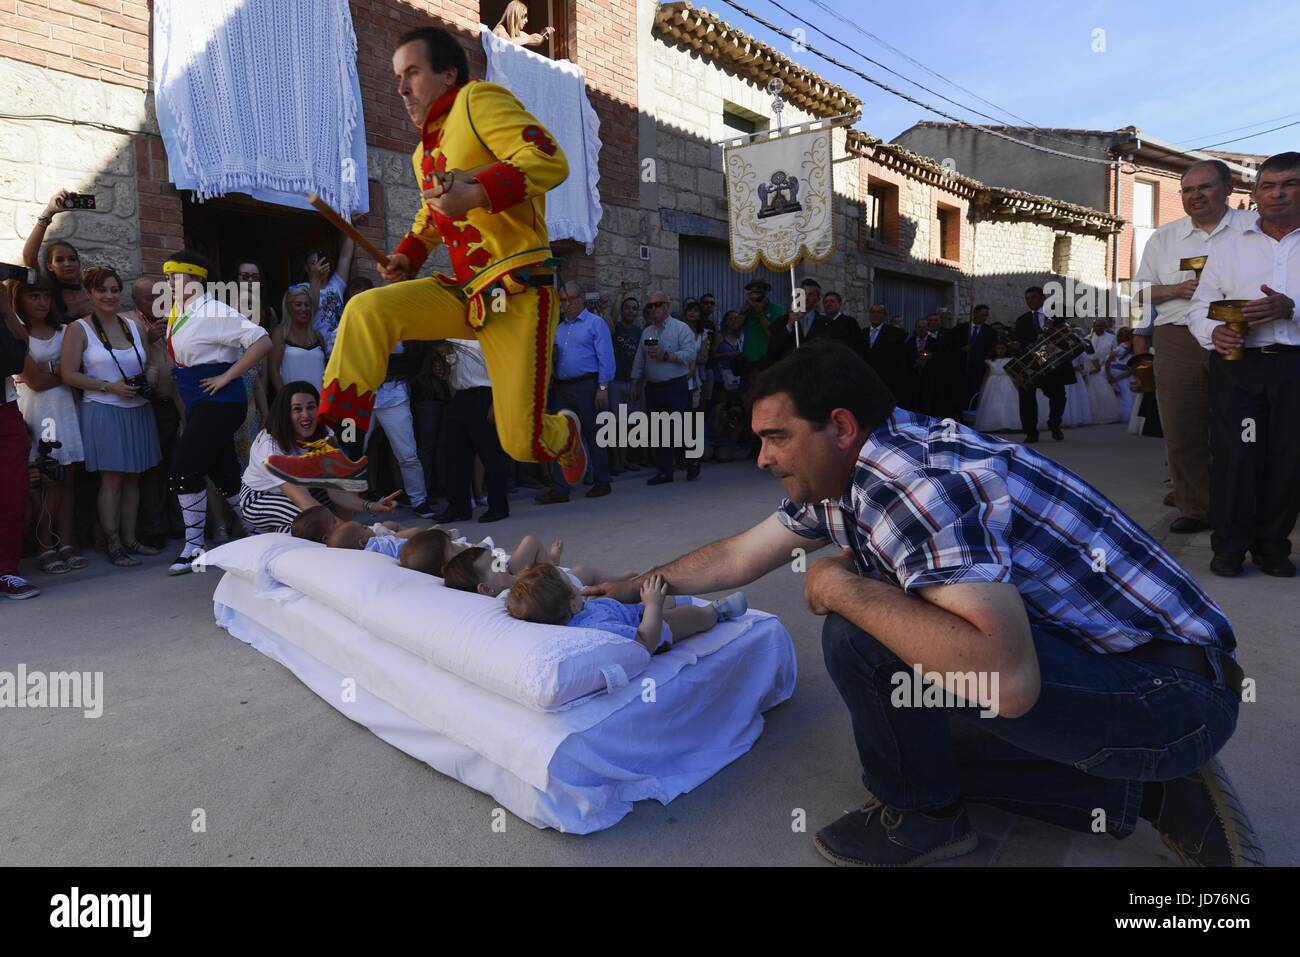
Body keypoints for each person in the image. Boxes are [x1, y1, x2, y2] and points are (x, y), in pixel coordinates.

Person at [585, 340, 1260, 868]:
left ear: (840, 426)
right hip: (1129, 669)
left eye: (777, 437)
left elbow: (1006, 682)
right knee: (915, 739)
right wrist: (638, 584)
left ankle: (930, 816)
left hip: (1174, 694)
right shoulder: (853, 469)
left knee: (861, 634)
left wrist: (842, 586)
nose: (761, 458)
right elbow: (739, 554)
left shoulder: (913, 485)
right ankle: (1140, 787)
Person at [267, 26, 587, 496]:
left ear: (448, 73)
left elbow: (548, 159)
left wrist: (475, 191)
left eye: (412, 73)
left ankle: (565, 433)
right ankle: (341, 446)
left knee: (521, 441)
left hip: (518, 291)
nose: (401, 88)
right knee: (367, 309)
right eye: (398, 77)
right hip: (469, 293)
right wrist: (406, 254)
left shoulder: (479, 100)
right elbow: (431, 218)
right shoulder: (424, 153)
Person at [1187, 151, 1300, 579]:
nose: (1277, 194)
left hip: (1295, 369)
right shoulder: (1230, 247)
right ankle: (1229, 546)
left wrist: (1292, 309)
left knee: (1288, 458)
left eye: (1289, 184)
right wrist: (1213, 332)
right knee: (1237, 454)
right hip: (1240, 368)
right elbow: (1200, 307)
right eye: (1268, 186)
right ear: (1255, 193)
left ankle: (1272, 548)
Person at [1136, 160, 1257, 535]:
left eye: (1205, 187)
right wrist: (1175, 289)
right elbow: (1138, 292)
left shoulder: (1254, 226)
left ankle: (1250, 503)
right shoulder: (1164, 238)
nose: (1195, 196)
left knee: (1245, 424)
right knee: (1182, 425)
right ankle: (1194, 507)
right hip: (1177, 337)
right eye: (1188, 190)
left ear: (1228, 188)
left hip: (1241, 332)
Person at [160, 249, 272, 576]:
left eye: (175, 277)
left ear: (195, 278)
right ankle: (260, 532)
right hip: (200, 401)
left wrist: (227, 376)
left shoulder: (215, 311)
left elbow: (262, 341)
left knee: (184, 469)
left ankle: (194, 547)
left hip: (220, 402)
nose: (169, 283)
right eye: (167, 278)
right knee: (224, 473)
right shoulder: (182, 310)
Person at [58, 265, 162, 568]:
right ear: (90, 293)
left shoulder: (132, 326)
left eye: (115, 290)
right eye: (102, 290)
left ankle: (130, 539)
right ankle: (113, 544)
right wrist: (109, 386)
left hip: (137, 408)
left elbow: (145, 362)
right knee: (112, 480)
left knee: (134, 479)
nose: (109, 295)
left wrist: (150, 375)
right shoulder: (79, 329)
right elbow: (68, 374)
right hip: (103, 409)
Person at [238, 382, 399, 534]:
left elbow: (336, 490)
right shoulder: (270, 447)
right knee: (315, 523)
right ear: (285, 413)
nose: (306, 415)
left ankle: (337, 539)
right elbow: (304, 502)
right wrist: (353, 532)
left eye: (311, 407)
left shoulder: (324, 432)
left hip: (307, 488)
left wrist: (371, 506)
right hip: (261, 497)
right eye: (297, 409)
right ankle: (293, 534)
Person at [10, 276, 87, 574]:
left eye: (45, 296)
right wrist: (63, 372)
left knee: (67, 480)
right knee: (46, 481)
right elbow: (35, 382)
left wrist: (53, 370)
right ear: (20, 300)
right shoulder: (18, 333)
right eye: (34, 297)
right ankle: (45, 545)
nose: (42, 302)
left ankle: (66, 543)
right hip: (37, 412)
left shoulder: (65, 331)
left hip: (65, 409)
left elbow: (78, 371)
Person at [507, 564, 747, 655]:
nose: (577, 587)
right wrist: (653, 606)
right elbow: (644, 642)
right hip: (650, 628)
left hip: (633, 613)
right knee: (690, 616)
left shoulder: (573, 614)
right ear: (572, 604)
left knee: (664, 598)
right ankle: (716, 611)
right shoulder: (597, 629)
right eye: (572, 587)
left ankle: (675, 602)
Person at [536, 281, 615, 503]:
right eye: (563, 300)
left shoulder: (595, 323)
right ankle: (561, 488)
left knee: (593, 434)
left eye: (571, 299)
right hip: (563, 388)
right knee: (563, 436)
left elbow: (606, 358)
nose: (567, 303)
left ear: (582, 299)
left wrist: (602, 388)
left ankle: (602, 481)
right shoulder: (559, 328)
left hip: (588, 386)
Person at [433, 338, 513, 522]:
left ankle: (498, 506)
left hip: (485, 394)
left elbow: (503, 369)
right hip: (460, 396)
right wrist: (442, 370)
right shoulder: (451, 338)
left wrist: (497, 403)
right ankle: (459, 507)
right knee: (455, 455)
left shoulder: (487, 335)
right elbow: (449, 374)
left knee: (491, 455)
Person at [631, 291, 697, 484]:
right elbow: (640, 359)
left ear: (667, 306)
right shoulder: (647, 332)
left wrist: (667, 356)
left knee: (681, 428)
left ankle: (692, 462)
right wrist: (635, 383)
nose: (653, 309)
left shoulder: (680, 328)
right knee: (659, 431)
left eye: (657, 304)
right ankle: (665, 472)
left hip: (675, 385)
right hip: (653, 388)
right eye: (650, 306)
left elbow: (690, 354)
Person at [2, 281, 39, 598]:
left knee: (13, 493)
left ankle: (7, 570)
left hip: (5, 411)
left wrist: (5, 308)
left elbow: (22, 350)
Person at [1014, 286, 1074, 442]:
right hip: (1032, 363)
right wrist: (1017, 346)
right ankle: (1031, 432)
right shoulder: (1022, 320)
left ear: (1042, 298)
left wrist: (1052, 318)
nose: (1030, 301)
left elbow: (1074, 311)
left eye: (1033, 297)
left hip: (1053, 361)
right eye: (1027, 298)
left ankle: (1054, 424)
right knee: (1026, 397)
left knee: (1058, 396)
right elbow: (1019, 341)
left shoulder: (1054, 312)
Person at [24, 189, 93, 320]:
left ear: (78, 263)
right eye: (60, 260)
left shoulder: (94, 290)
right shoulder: (48, 292)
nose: (67, 264)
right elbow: (29, 256)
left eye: (72, 259)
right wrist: (49, 212)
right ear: (50, 266)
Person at [608, 295, 643, 475]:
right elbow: (612, 317)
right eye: (627, 307)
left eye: (634, 308)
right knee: (615, 423)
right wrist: (619, 294)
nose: (631, 311)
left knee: (629, 423)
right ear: (622, 310)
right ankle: (615, 460)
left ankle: (625, 458)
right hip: (615, 381)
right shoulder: (616, 328)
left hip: (633, 383)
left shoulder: (640, 332)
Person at [271, 284, 327, 393]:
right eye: (298, 304)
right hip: (292, 399)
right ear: (289, 307)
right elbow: (274, 370)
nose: (303, 309)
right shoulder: (280, 333)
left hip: (319, 400)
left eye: (307, 305)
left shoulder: (318, 336)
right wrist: (285, 398)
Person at [305, 236, 357, 354]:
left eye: (322, 262)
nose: (319, 266)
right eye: (313, 263)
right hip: (315, 348)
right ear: (306, 268)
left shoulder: (336, 284)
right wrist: (316, 277)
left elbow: (345, 256)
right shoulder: (302, 288)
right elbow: (311, 308)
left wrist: (349, 227)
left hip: (338, 348)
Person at [950, 304, 998, 412]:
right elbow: (952, 346)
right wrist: (961, 350)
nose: (984, 318)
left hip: (979, 369)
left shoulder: (990, 332)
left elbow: (991, 350)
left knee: (975, 394)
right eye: (982, 315)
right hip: (961, 368)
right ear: (975, 314)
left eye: (986, 315)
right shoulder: (960, 329)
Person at [861, 303, 908, 402]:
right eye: (872, 312)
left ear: (884, 315)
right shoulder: (861, 333)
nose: (875, 315)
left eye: (879, 312)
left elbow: (900, 359)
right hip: (867, 379)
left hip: (887, 380)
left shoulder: (896, 333)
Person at [737, 279, 785, 368]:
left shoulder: (777, 310)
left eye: (758, 291)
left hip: (767, 361)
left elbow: (772, 333)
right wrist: (744, 310)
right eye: (752, 292)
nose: (755, 295)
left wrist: (760, 312)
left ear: (766, 292)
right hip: (747, 362)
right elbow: (735, 326)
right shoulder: (748, 309)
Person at [1084, 317, 1122, 424]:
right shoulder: (1087, 339)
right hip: (1091, 370)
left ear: (1105, 327)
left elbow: (1115, 355)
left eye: (1100, 326)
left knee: (1104, 394)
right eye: (1096, 326)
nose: (1098, 328)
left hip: (1105, 368)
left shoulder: (1111, 338)